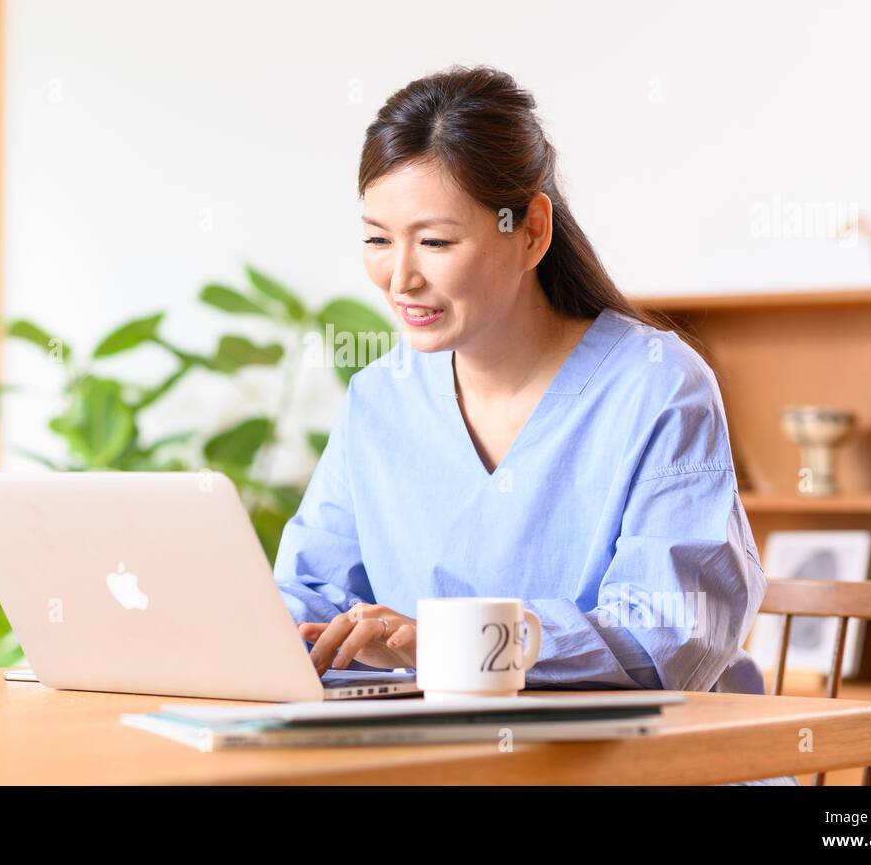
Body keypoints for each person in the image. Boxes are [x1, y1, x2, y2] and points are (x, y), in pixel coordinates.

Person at [272, 65, 797, 786]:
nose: (400, 278)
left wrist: (453, 647)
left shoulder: (657, 386)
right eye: (376, 239)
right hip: (463, 770)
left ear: (531, 231)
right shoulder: (379, 399)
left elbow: (667, 639)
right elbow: (309, 596)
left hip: (654, 773)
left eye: (434, 242)